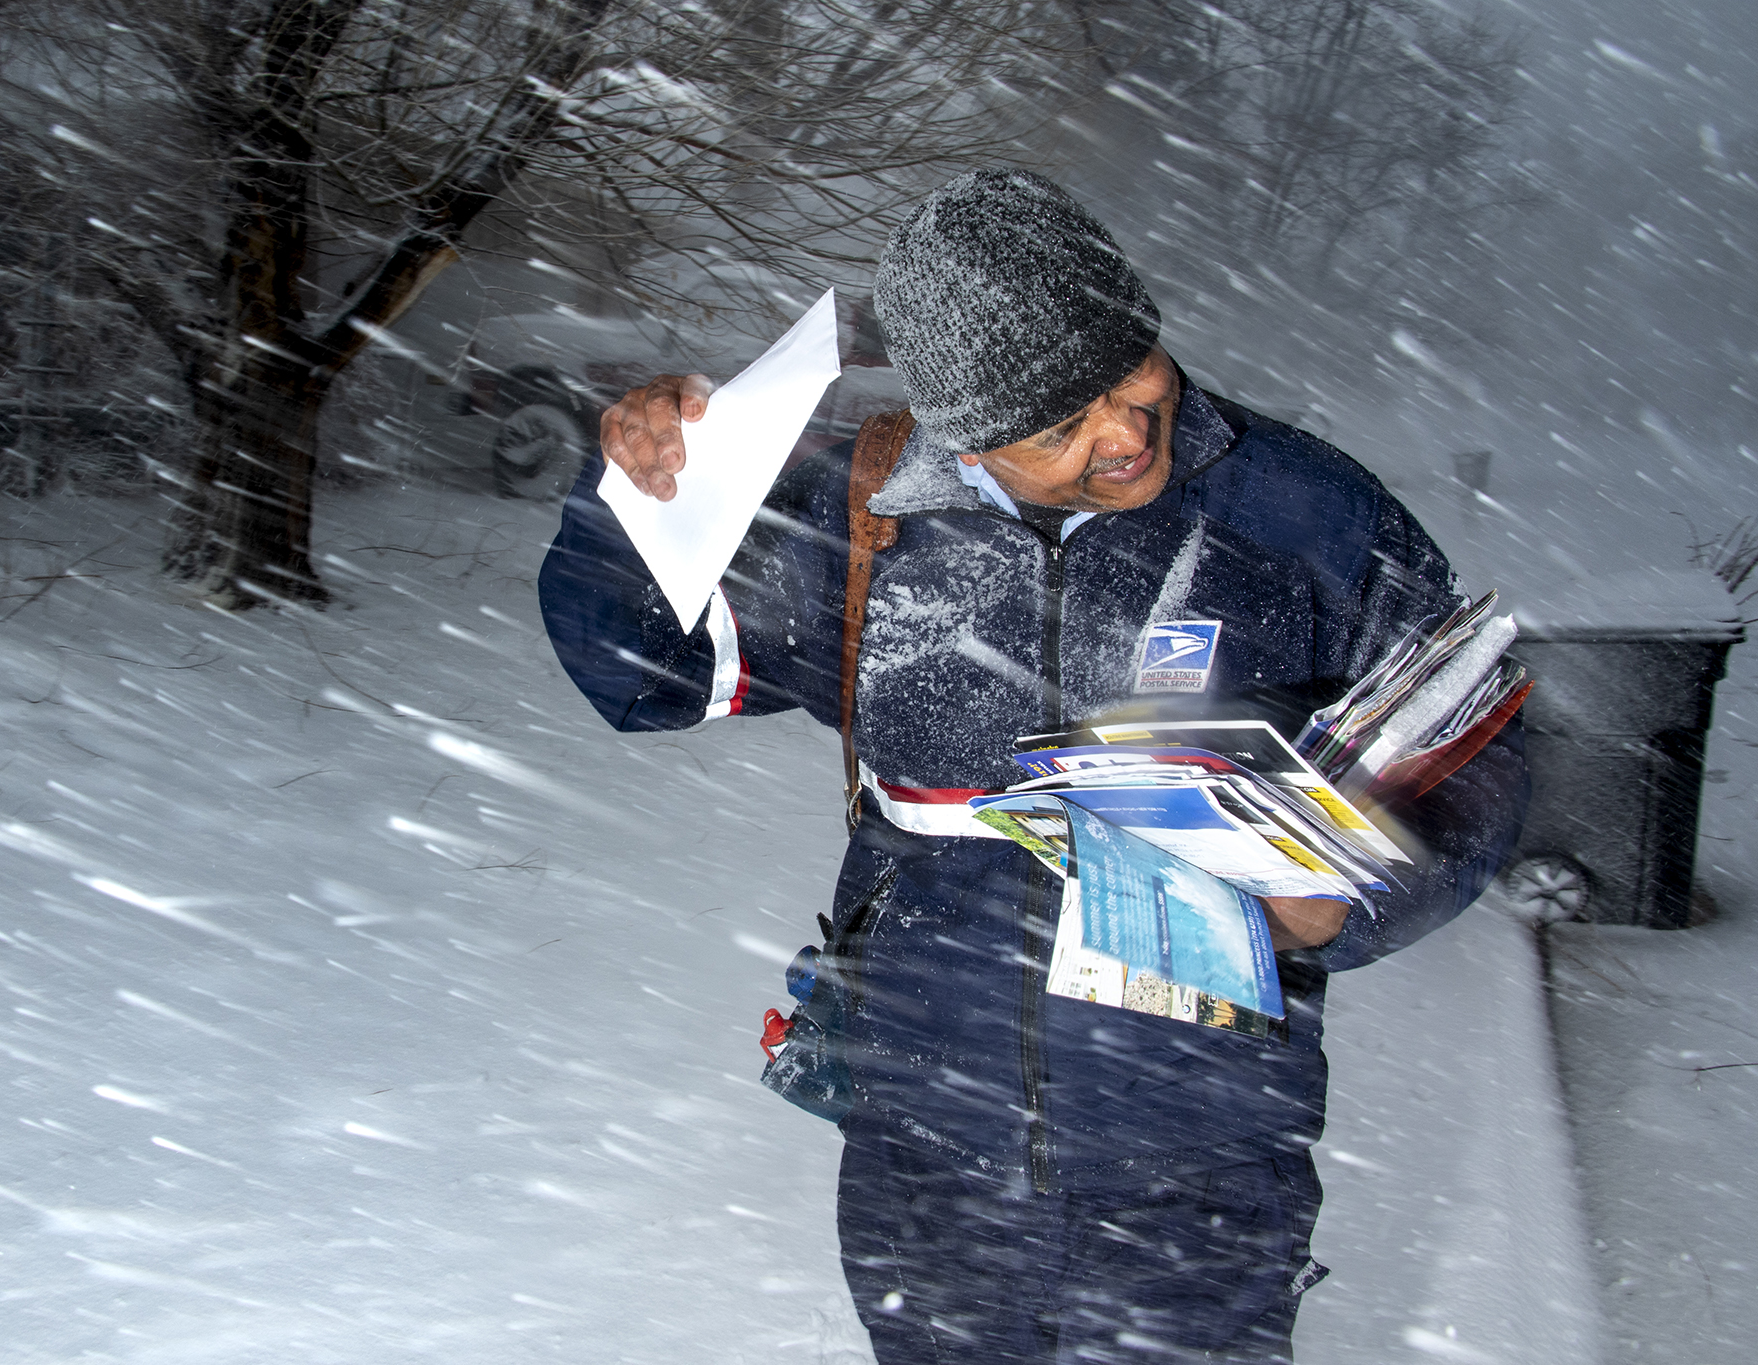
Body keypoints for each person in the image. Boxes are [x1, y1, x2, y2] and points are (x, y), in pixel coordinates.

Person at [537, 170, 1528, 1364]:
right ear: (961, 429)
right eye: (1058, 427)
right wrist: (640, 492)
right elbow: (635, 670)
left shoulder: (1298, 511)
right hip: (926, 1149)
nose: (1121, 433)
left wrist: (1354, 894)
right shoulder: (863, 518)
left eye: (1131, 374)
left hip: (1196, 1154)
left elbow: (1474, 745)